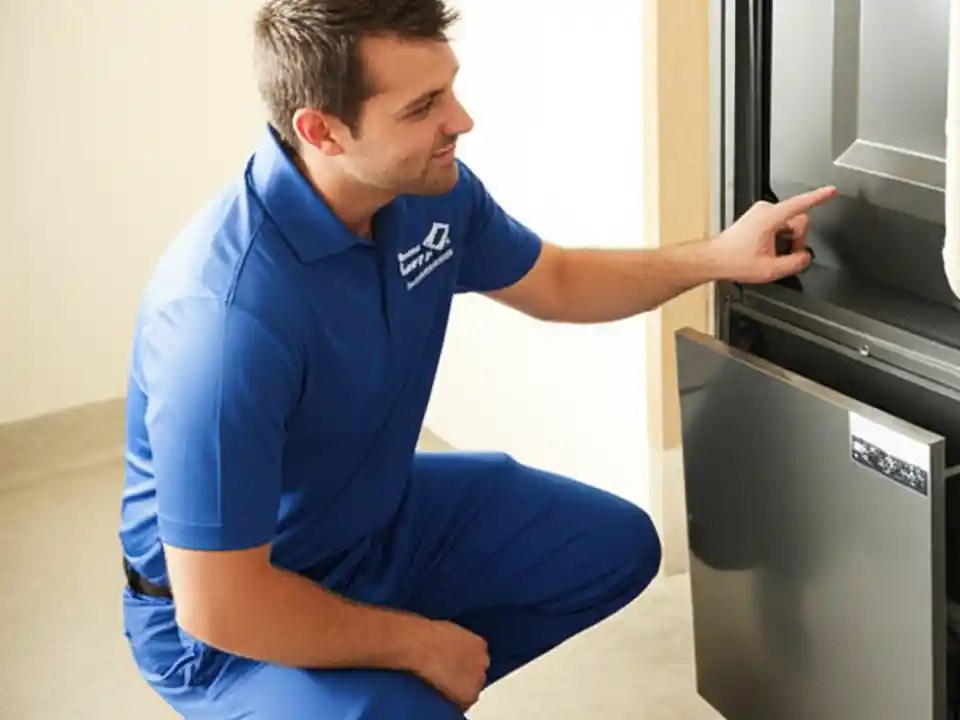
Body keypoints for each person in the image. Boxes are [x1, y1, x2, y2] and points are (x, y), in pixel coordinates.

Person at [117, 1, 833, 717]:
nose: (460, 120)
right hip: (227, 621)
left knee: (614, 548)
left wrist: (718, 256)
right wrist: (416, 645)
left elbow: (555, 279)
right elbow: (221, 606)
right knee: (396, 699)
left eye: (450, 87)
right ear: (321, 130)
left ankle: (386, 683)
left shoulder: (428, 195)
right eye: (424, 105)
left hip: (372, 520)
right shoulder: (224, 320)